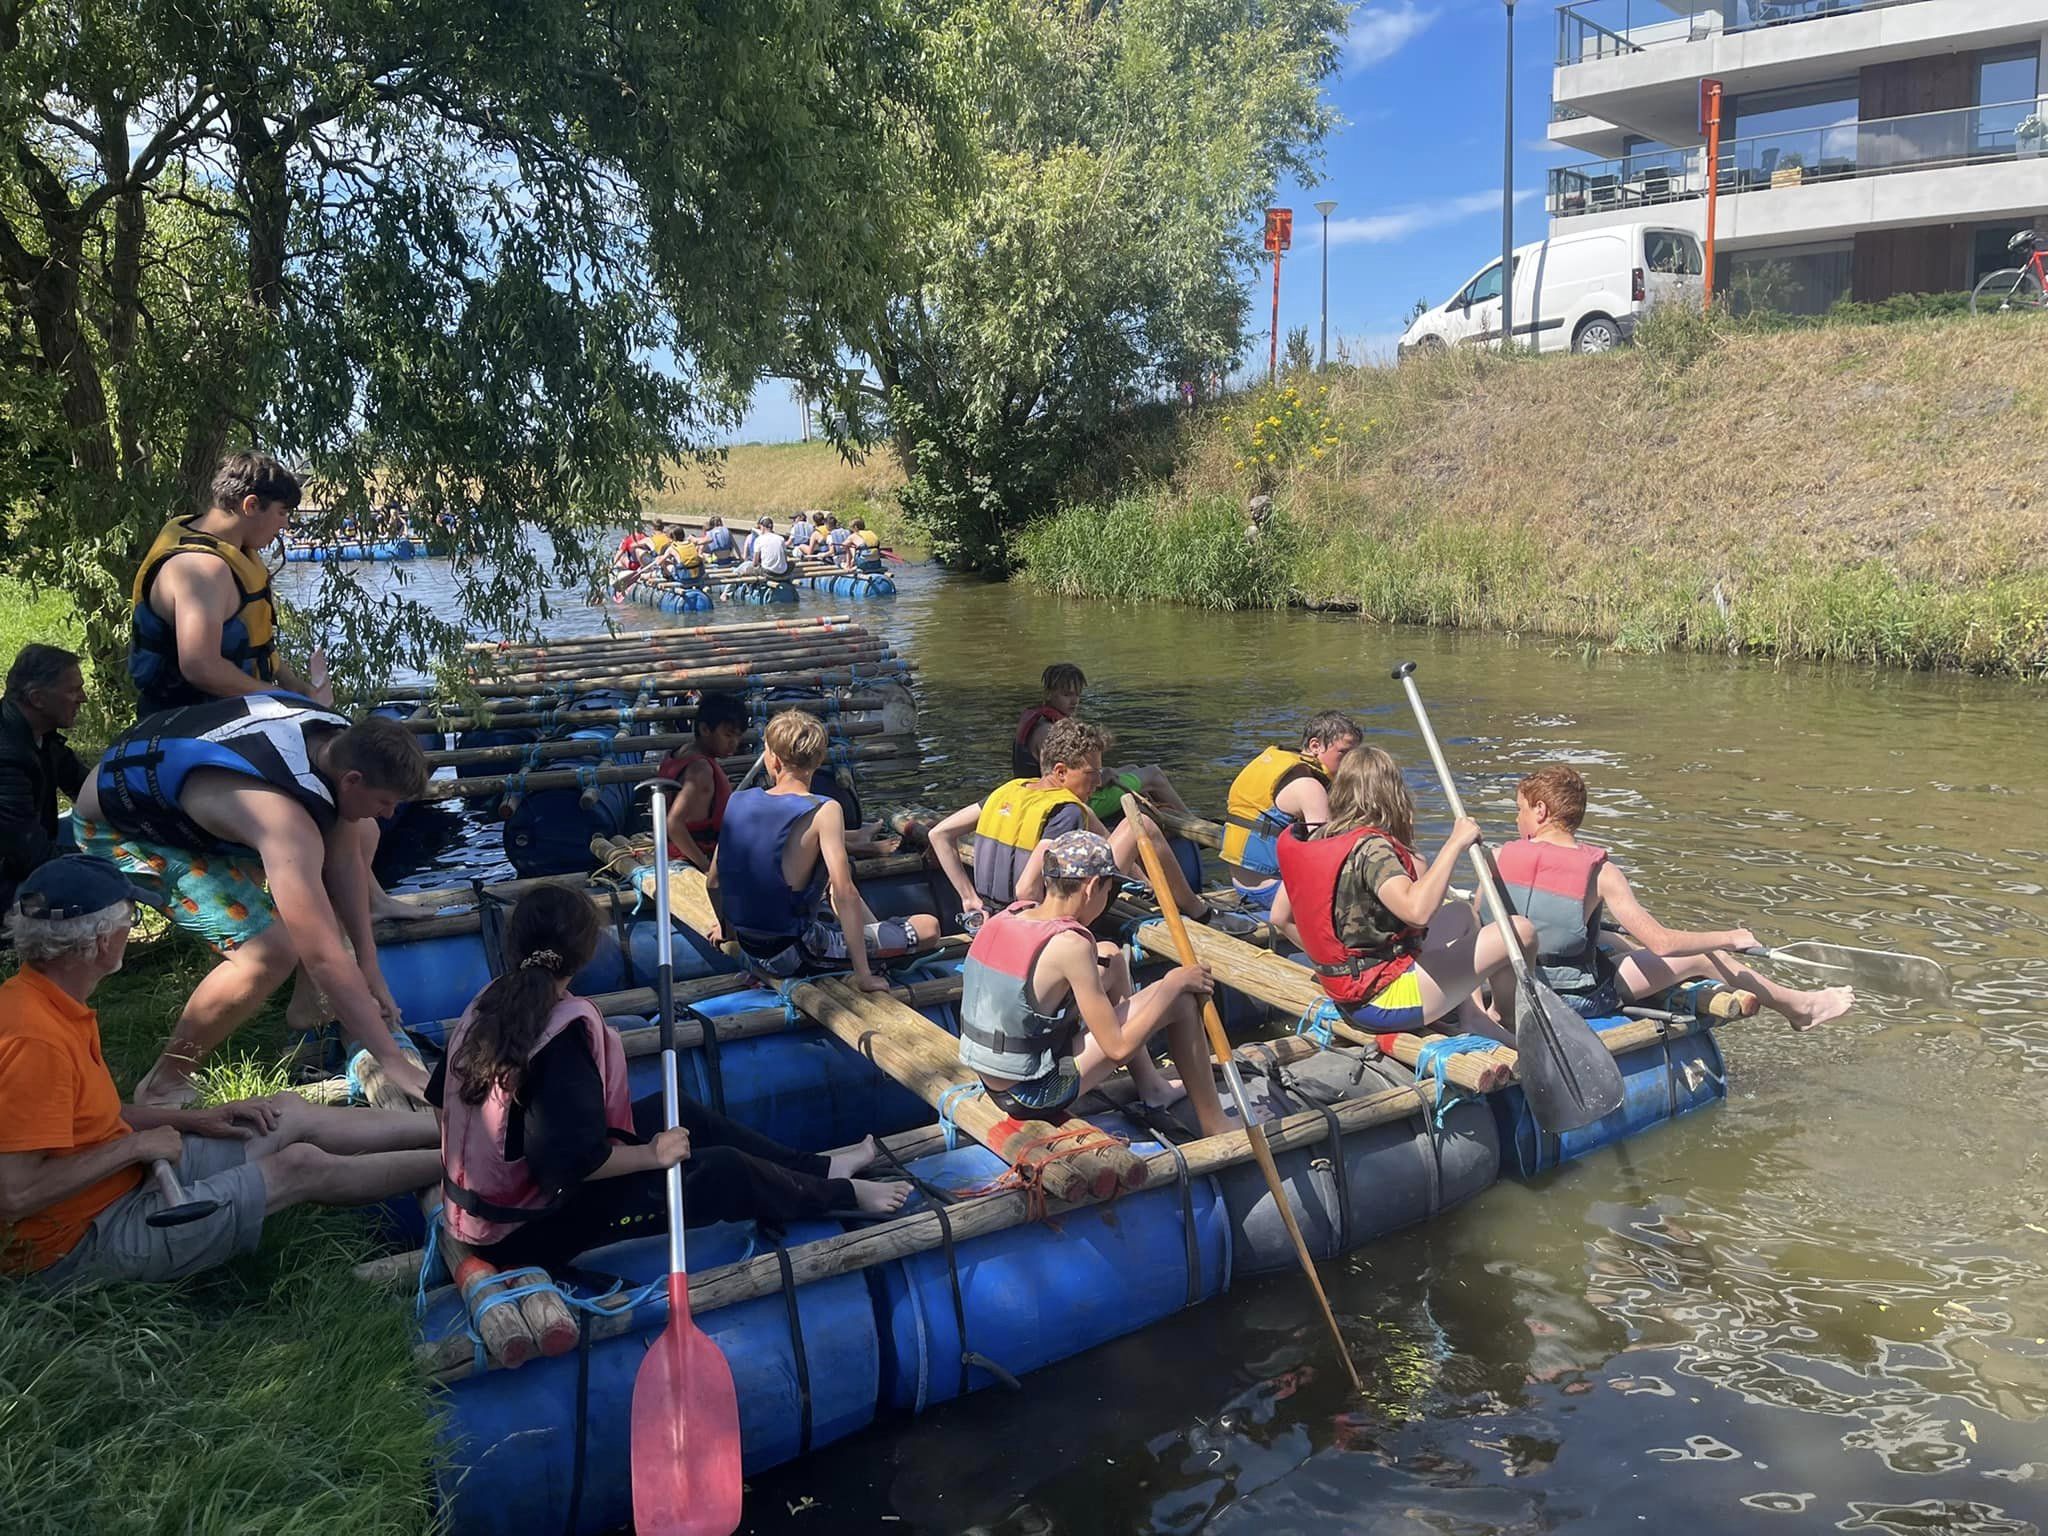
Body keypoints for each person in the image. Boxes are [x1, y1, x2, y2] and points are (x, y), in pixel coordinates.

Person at [0, 856, 440, 1287]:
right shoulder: (35, 1043)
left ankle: (451, 1125)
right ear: (97, 943)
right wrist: (132, 1149)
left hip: (123, 1179)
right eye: (129, 919)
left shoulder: (44, 999)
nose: (129, 929)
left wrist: (195, 1120)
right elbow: (14, 1195)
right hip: (77, 1242)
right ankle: (466, 1164)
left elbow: (85, 1121)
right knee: (299, 1165)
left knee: (289, 1112)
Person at [430, 886, 907, 1272]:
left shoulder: (490, 1002)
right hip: (523, 1232)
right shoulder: (558, 1038)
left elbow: (440, 1101)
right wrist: (652, 1154)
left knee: (671, 1110)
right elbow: (568, 1164)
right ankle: (841, 1196)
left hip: (492, 1208)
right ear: (585, 953)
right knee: (720, 1168)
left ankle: (818, 1168)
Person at [69, 693, 431, 1106]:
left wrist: (370, 967)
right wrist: (391, 1058)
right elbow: (322, 955)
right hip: (122, 829)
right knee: (271, 949)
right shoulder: (283, 821)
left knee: (363, 830)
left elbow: (346, 855)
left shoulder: (337, 739)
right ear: (352, 779)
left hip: (187, 800)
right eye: (386, 801)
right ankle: (164, 1081)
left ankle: (311, 1003)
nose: (388, 813)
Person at [1498, 765, 1853, 1031]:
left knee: (1609, 938)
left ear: (1541, 811)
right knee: (1703, 956)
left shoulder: (1495, 859)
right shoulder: (1600, 873)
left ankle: (1798, 1004)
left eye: (1520, 809)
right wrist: (1730, 938)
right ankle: (1800, 1008)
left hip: (1510, 989)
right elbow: (1662, 943)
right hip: (1572, 1000)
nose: (1517, 819)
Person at [958, 831, 1230, 1137]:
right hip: (1032, 1092)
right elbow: (1117, 1048)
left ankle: (1153, 1086)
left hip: (992, 1075)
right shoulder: (1070, 945)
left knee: (1111, 957)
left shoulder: (1009, 915)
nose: (1106, 900)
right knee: (1181, 1000)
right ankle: (1215, 1124)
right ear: (1091, 887)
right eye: (1108, 890)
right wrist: (1171, 984)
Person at [1272, 745, 1534, 1041]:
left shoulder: (1318, 839)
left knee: (1461, 914)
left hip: (1351, 991)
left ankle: (1471, 1016)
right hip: (1384, 1001)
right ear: (1392, 794)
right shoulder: (1372, 849)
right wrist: (1455, 843)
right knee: (1520, 931)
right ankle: (1509, 1021)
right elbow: (1417, 911)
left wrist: (1334, 968)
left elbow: (1279, 917)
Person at [707, 709, 941, 989]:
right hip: (794, 953)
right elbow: (845, 893)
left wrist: (726, 930)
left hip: (750, 944)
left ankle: (874, 940)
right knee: (929, 927)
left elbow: (713, 881)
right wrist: (863, 976)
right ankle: (877, 959)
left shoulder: (738, 800)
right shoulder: (825, 810)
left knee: (828, 897)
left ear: (774, 761)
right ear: (818, 761)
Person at [927, 717, 1212, 924]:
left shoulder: (1009, 792)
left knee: (1118, 830)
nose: (1099, 782)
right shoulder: (1066, 813)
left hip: (993, 914)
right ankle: (1199, 911)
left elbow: (939, 834)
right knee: (1143, 826)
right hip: (1041, 922)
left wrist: (969, 897)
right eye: (1092, 773)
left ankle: (1163, 892)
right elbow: (1026, 889)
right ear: (1061, 772)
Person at [129, 451, 330, 719]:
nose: (285, 524)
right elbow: (201, 667)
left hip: (231, 716)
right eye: (281, 513)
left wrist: (295, 687)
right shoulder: (201, 571)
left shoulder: (233, 548)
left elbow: (256, 643)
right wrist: (280, 698)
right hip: (188, 725)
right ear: (250, 506)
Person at [1221, 712, 1363, 912]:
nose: (1351, 763)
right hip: (1272, 891)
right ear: (1315, 746)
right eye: (1344, 753)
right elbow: (1324, 855)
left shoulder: (1274, 763)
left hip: (1242, 883)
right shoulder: (1309, 787)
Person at [0, 646, 87, 918]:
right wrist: (107, 862)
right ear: (37, 698)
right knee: (99, 880)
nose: (82, 698)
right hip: (8, 882)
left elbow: (90, 791)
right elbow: (31, 856)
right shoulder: (7, 758)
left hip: (24, 855)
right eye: (73, 690)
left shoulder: (42, 735)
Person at [656, 691, 748, 872]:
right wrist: (706, 867)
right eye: (728, 735)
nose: (734, 743)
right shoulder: (701, 770)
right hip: (692, 855)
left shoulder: (678, 752)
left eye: (738, 736)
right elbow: (674, 823)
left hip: (675, 849)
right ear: (705, 729)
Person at [1011, 662, 1085, 780]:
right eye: (1067, 694)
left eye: (1078, 694)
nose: (1074, 701)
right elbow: (1064, 778)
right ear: (1048, 694)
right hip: (1041, 794)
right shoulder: (1047, 731)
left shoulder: (1042, 721)